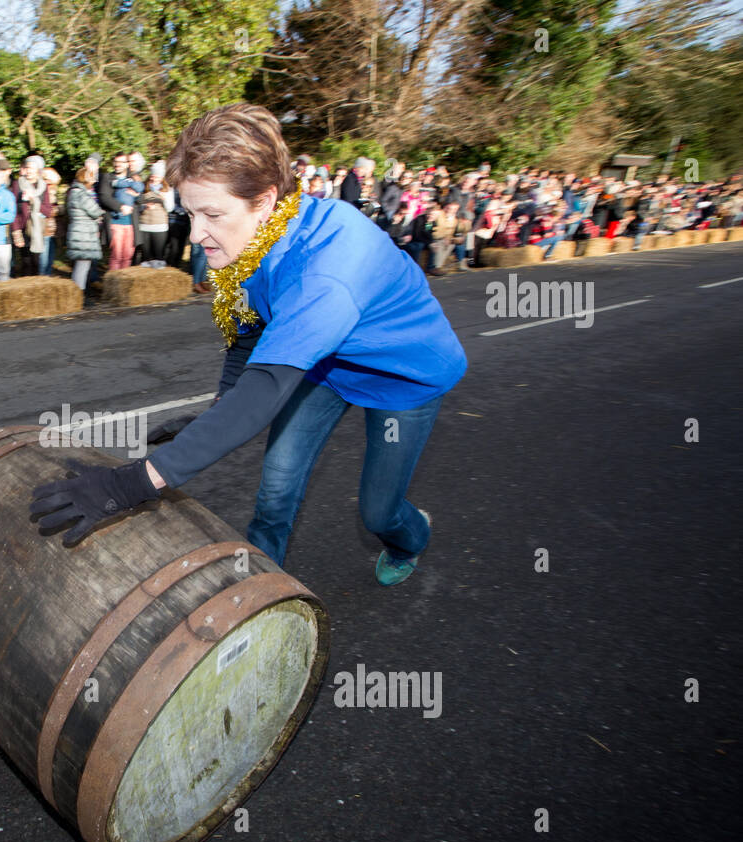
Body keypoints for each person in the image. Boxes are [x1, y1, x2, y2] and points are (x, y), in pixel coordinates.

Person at [30, 103, 467, 587]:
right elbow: (249, 334)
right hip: (326, 365)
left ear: (264, 200)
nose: (196, 234)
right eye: (190, 212)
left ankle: (410, 536)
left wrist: (127, 484)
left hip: (403, 377)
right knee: (278, 484)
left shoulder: (325, 274)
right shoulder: (254, 239)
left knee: (378, 512)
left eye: (212, 214)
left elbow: (263, 392)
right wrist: (221, 406)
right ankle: (261, 590)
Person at [11, 155, 53, 277]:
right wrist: (16, 231)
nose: (28, 171)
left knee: (36, 263)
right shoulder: (17, 184)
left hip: (37, 230)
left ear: (38, 170)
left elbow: (48, 211)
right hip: (23, 229)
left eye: (32, 168)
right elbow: (14, 210)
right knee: (26, 263)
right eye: (27, 167)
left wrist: (34, 200)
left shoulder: (43, 186)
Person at [64, 167, 103, 293]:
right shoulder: (81, 194)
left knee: (81, 265)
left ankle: (79, 291)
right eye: (92, 178)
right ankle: (79, 293)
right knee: (82, 265)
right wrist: (101, 212)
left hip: (78, 230)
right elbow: (95, 211)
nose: (94, 181)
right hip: (83, 233)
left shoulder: (73, 192)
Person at [135, 161, 173, 268]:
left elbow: (170, 208)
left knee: (158, 256)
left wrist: (163, 200)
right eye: (153, 176)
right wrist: (145, 206)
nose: (154, 179)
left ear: (162, 177)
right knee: (145, 257)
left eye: (157, 177)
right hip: (144, 226)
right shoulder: (144, 188)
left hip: (160, 226)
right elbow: (137, 205)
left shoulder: (167, 190)